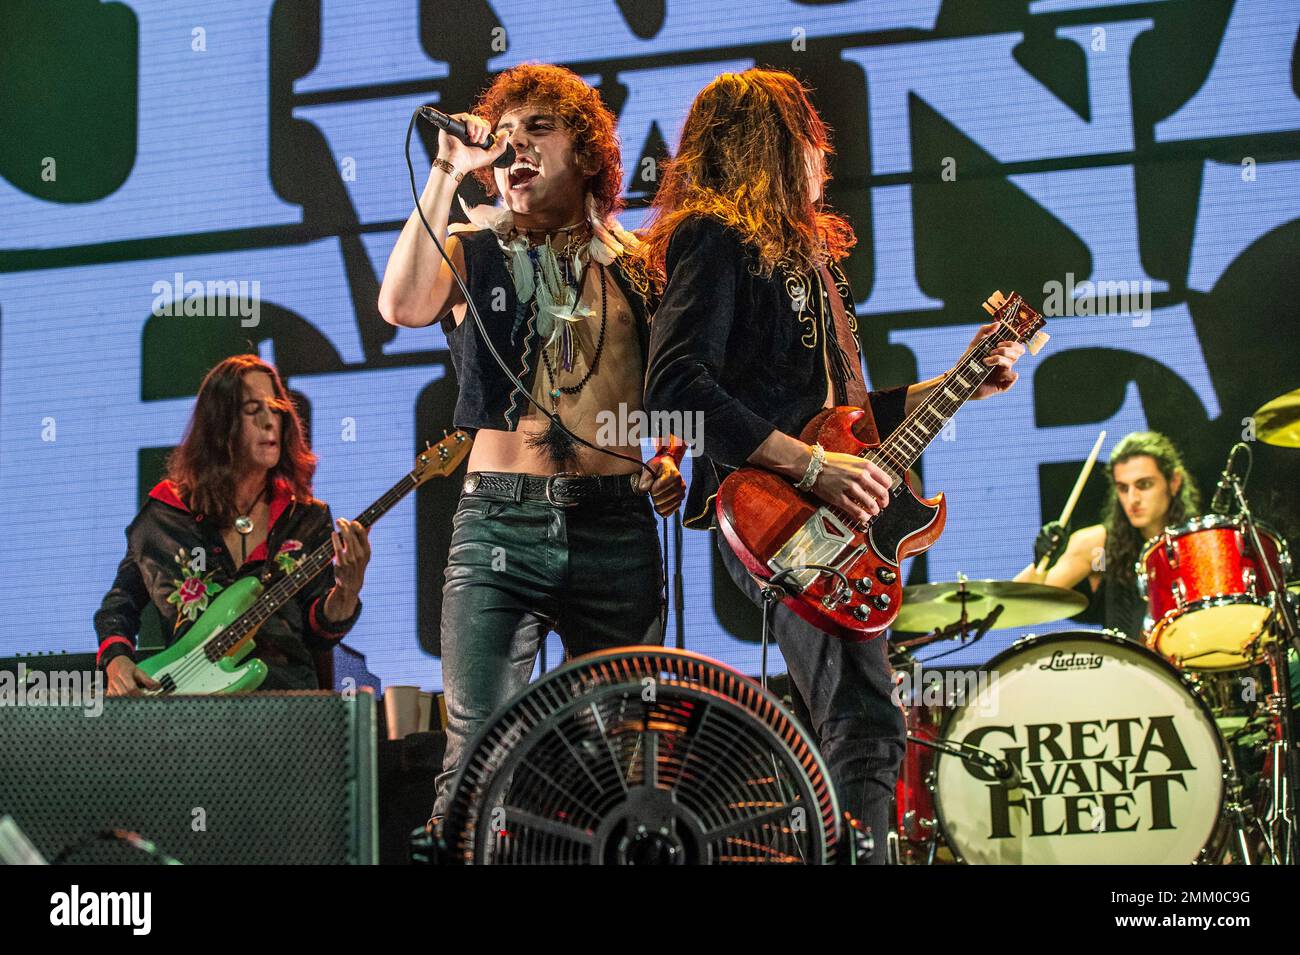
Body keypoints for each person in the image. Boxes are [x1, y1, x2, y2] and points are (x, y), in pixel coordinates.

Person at [641, 68, 1026, 862]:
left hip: (825, 506)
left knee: (863, 721)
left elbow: (849, 421)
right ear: (777, 145)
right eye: (811, 139)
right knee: (863, 718)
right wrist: (811, 468)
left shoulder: (806, 261)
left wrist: (958, 381)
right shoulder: (713, 236)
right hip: (776, 512)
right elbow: (675, 385)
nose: (825, 157)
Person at [378, 64, 685, 828]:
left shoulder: (642, 264)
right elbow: (401, 304)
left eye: (537, 129)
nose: (514, 145)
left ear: (587, 155)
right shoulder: (471, 244)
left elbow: (675, 399)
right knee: (478, 750)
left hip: (615, 524)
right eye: (504, 134)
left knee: (632, 757)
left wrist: (673, 457)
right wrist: (451, 168)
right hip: (497, 527)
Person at [94, 355, 370, 694]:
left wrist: (346, 591)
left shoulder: (305, 517)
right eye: (254, 410)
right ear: (219, 422)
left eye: (276, 409)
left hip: (286, 706)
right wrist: (117, 659)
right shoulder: (165, 517)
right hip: (191, 709)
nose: (270, 422)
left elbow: (319, 632)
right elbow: (119, 605)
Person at [1015, 430, 1202, 639]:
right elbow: (1018, 607)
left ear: (1174, 482)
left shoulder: (1201, 543)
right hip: (1124, 667)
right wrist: (1041, 562)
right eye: (1123, 488)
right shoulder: (1098, 547)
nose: (1132, 498)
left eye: (1144, 485)